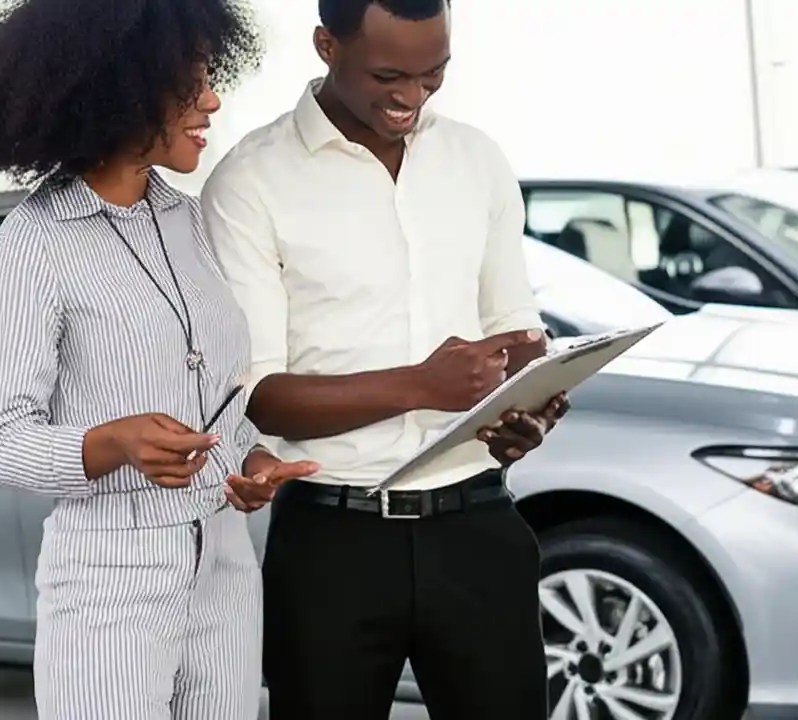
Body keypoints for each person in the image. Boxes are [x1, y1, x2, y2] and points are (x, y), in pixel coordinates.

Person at [0, 1, 318, 717]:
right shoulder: (34, 244)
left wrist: (249, 462)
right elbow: (0, 444)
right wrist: (113, 443)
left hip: (226, 562)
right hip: (111, 575)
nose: (212, 98)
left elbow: (216, 394)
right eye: (191, 82)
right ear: (120, 89)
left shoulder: (186, 219)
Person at [201, 0, 570, 717]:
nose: (411, 96)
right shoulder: (251, 181)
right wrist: (423, 386)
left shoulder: (475, 159)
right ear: (325, 45)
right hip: (333, 545)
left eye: (434, 74)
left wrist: (527, 405)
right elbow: (258, 395)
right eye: (388, 75)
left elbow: (516, 329)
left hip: (479, 529)